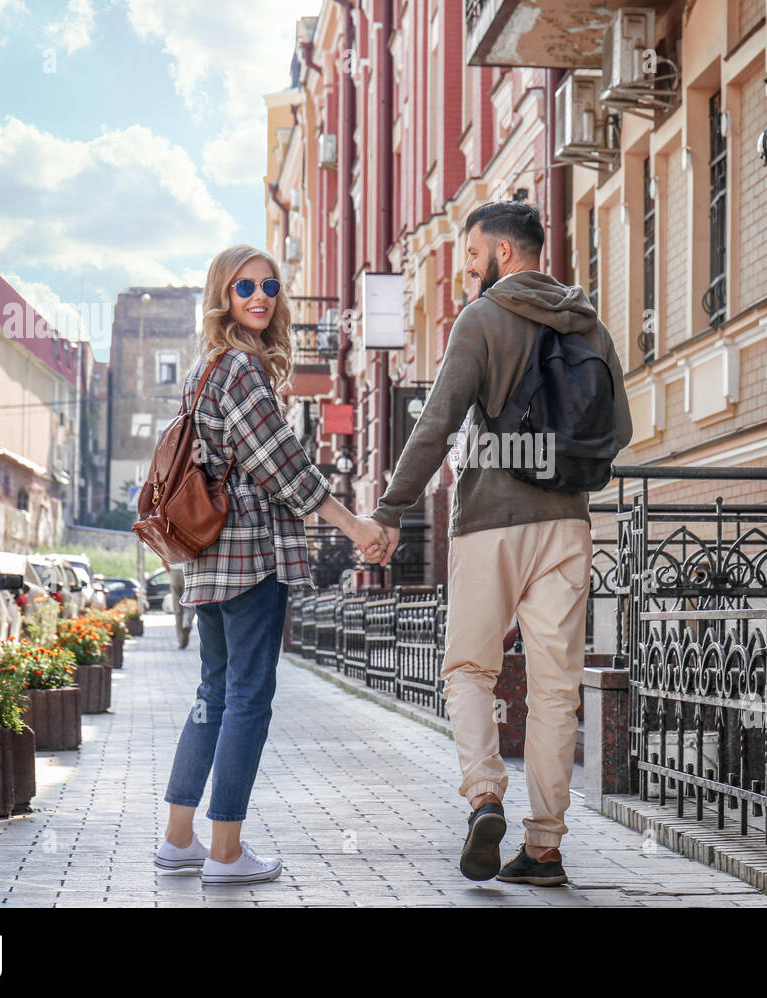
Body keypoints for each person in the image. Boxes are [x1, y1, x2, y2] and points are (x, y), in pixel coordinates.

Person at [367, 202, 631, 886]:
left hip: (489, 522)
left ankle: (485, 795)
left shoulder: (482, 320)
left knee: (469, 671)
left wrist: (394, 508)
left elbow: (436, 424)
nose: (466, 270)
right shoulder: (591, 324)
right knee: (554, 689)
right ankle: (544, 848)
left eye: (473, 254)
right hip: (569, 524)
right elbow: (619, 429)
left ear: (505, 254)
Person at [155, 244, 387, 885]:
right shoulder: (241, 370)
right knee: (247, 700)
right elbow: (282, 466)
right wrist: (355, 524)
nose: (260, 296)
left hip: (207, 561)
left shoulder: (203, 369)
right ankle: (225, 852)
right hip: (250, 557)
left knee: (214, 694)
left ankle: (180, 838)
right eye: (243, 287)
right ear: (222, 296)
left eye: (270, 285)